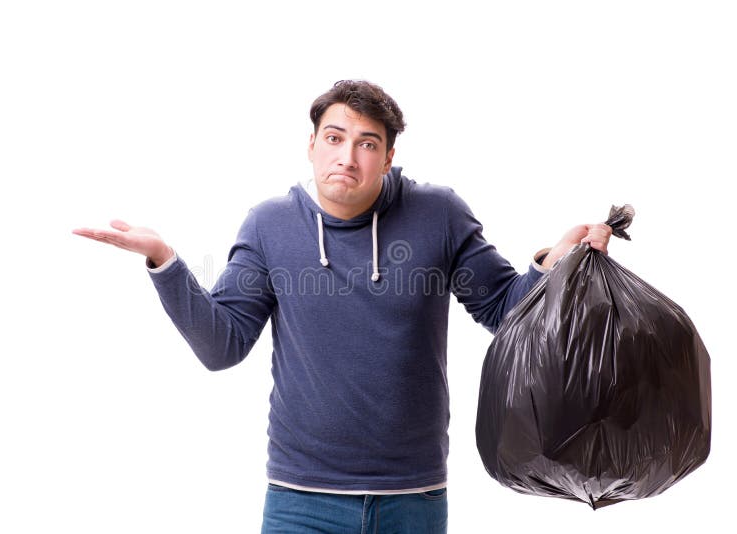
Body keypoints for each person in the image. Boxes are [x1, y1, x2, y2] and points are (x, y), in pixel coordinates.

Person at [73, 80, 612, 533]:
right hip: (299, 501)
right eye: (334, 137)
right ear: (311, 145)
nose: (347, 157)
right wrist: (165, 261)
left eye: (367, 143)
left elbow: (504, 312)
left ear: (388, 156)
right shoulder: (269, 226)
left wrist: (551, 264)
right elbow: (222, 346)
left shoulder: (438, 214)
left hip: (413, 497)